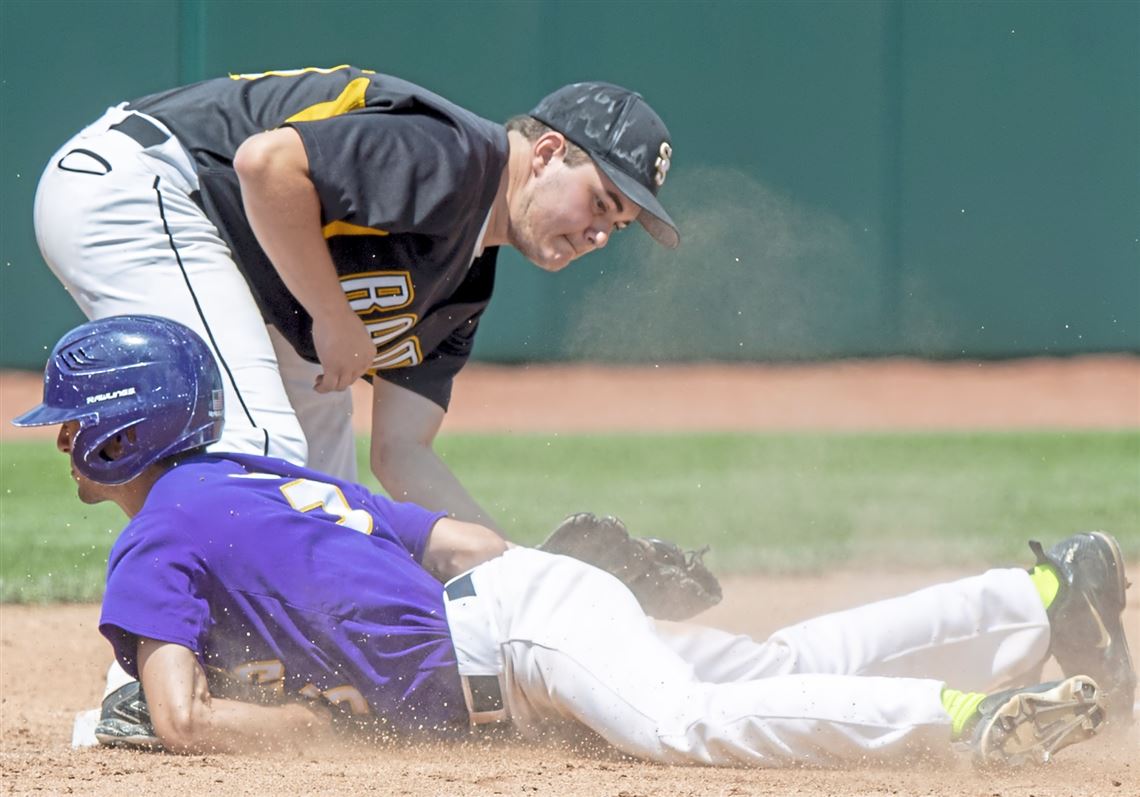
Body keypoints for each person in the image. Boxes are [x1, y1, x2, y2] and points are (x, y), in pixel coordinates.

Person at [15, 316, 1135, 767]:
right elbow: (457, 537)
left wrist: (307, 722)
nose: (63, 437)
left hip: (523, 645)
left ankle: (960, 718)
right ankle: (1035, 597)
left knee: (684, 721)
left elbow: (179, 715)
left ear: (125, 424)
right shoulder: (257, 480)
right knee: (777, 664)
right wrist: (580, 592)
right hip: (524, 612)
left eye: (74, 417)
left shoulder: (156, 537)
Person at [33, 67, 678, 527]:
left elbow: (402, 455)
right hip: (140, 185)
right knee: (259, 446)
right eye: (600, 201)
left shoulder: (467, 281)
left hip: (208, 234)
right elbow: (266, 166)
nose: (597, 234)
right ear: (546, 153)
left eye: (614, 226)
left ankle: (253, 668)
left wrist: (526, 575)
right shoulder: (456, 158)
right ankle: (148, 679)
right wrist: (334, 317)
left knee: (327, 505)